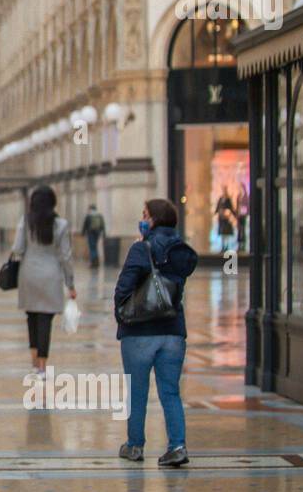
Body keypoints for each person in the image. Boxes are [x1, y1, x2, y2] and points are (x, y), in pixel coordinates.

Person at [114, 197, 197, 468]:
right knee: (170, 392)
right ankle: (177, 446)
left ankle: (135, 446)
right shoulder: (180, 251)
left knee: (137, 391)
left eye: (145, 215)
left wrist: (122, 316)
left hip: (139, 332)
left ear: (154, 220)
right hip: (173, 332)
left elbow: (123, 288)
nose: (142, 219)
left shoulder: (142, 249)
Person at [11, 185, 75, 380]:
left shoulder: (26, 221)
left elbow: (18, 248)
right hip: (51, 275)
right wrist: (70, 283)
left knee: (31, 317)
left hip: (28, 274)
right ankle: (42, 365)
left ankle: (33, 362)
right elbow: (65, 256)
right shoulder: (61, 225)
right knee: (45, 319)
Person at [81, 204, 106, 269]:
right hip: (97, 233)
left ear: (90, 209)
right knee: (95, 246)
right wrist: (104, 233)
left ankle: (93, 262)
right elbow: (103, 225)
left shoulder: (89, 215)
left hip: (91, 233)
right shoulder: (99, 215)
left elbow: (85, 225)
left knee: (92, 247)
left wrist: (82, 233)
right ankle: (96, 262)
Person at [214, 187, 236, 253]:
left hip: (226, 218)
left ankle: (226, 246)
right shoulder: (221, 199)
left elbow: (231, 207)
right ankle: (223, 246)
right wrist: (216, 212)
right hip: (221, 218)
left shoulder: (228, 199)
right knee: (222, 232)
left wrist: (234, 214)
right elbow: (218, 207)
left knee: (226, 232)